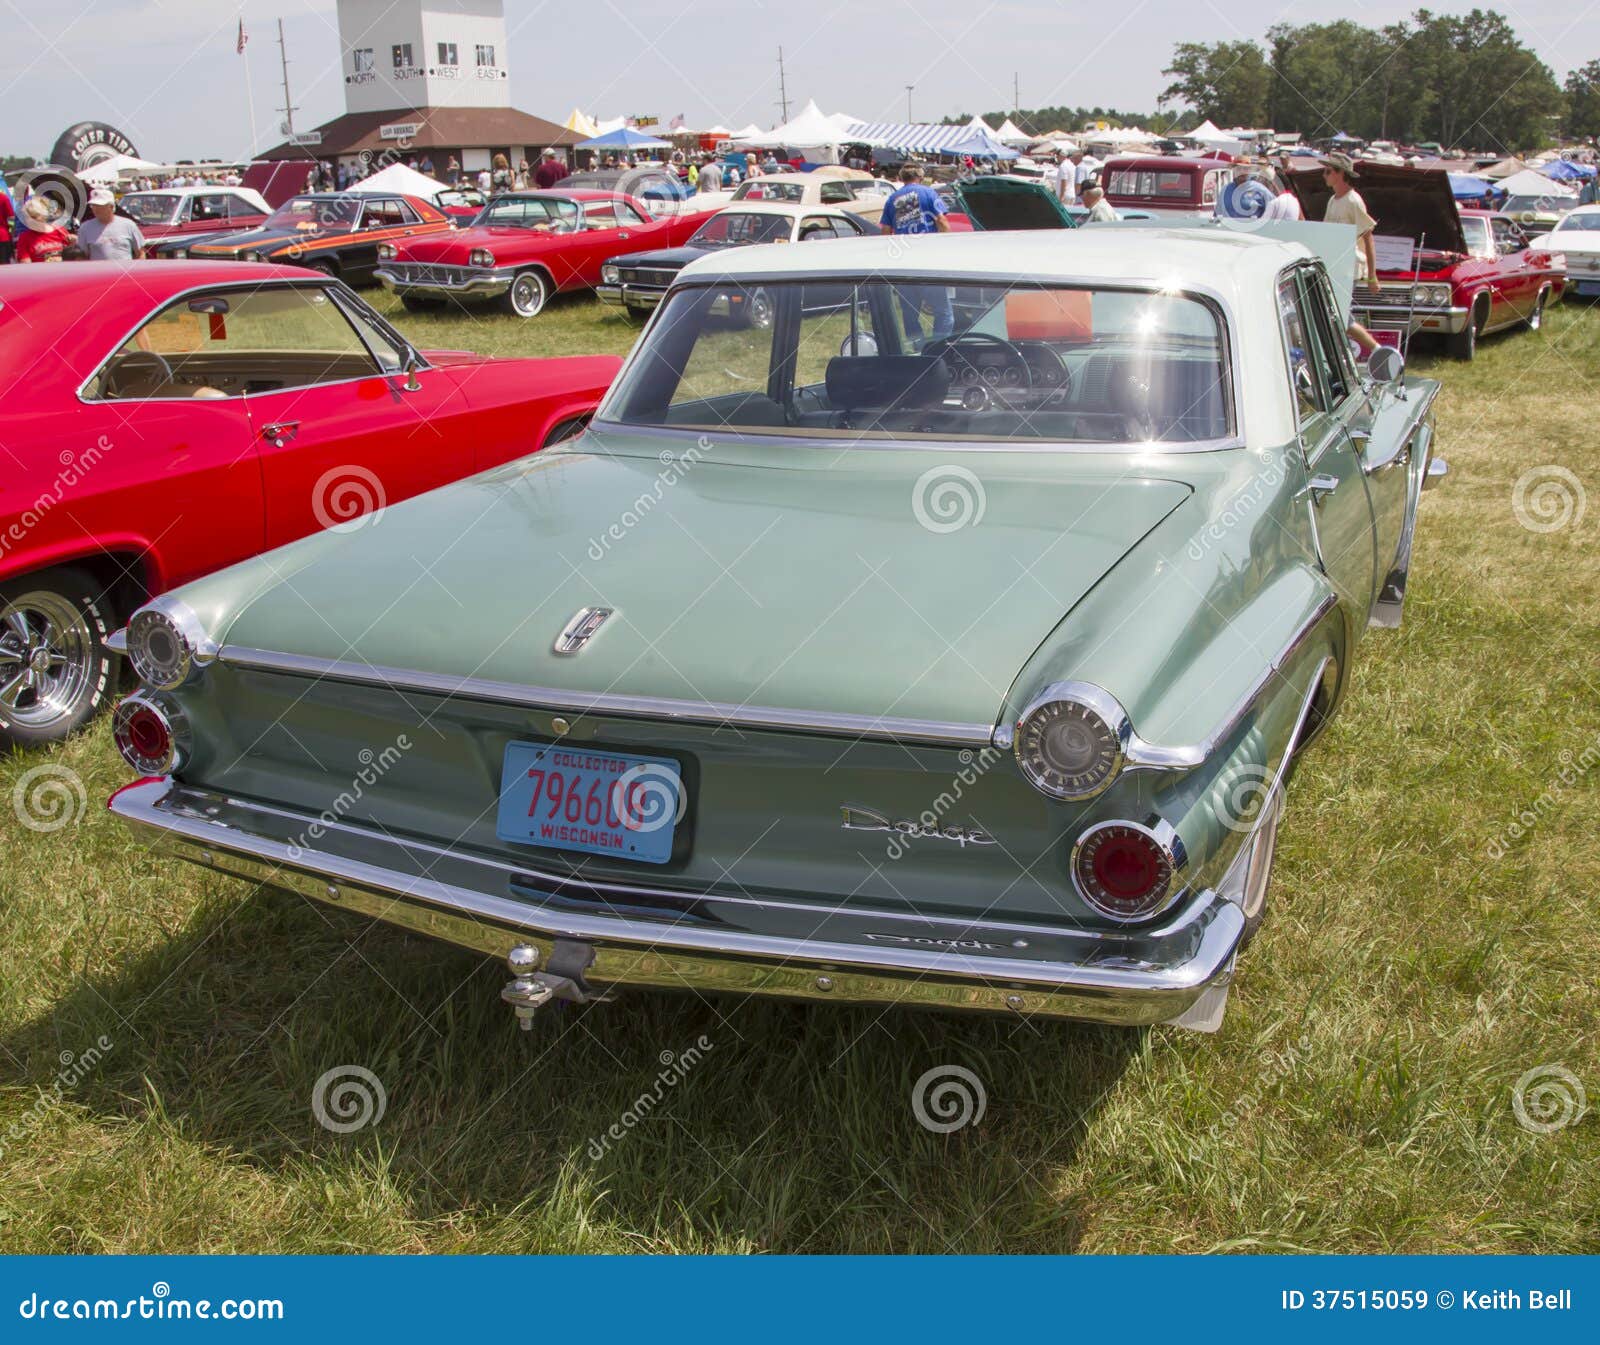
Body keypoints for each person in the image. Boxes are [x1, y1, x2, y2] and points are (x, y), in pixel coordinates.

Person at [879, 165, 952, 343]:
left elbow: (886, 231)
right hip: (928, 261)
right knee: (943, 311)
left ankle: (916, 346)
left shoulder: (892, 199)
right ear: (920, 176)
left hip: (904, 262)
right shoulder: (928, 193)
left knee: (909, 312)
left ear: (901, 177)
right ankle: (937, 347)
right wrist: (948, 243)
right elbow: (941, 221)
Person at [1321, 152, 1380, 357]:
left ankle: (1377, 350)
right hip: (1335, 265)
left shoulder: (1353, 201)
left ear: (1340, 174)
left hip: (1350, 266)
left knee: (1340, 316)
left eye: (1328, 171)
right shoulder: (1333, 200)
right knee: (1334, 314)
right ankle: (1341, 355)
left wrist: (1372, 276)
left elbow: (1368, 238)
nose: (1324, 175)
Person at [76, 188, 145, 260]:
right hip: (98, 271)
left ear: (111, 207)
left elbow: (141, 253)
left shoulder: (129, 225)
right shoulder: (85, 228)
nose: (95, 209)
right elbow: (82, 257)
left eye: (100, 206)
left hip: (125, 270)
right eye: (93, 205)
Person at [15, 196, 72, 263]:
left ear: (44, 215)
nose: (29, 221)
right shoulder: (24, 238)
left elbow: (72, 255)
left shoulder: (60, 231)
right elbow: (25, 263)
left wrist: (74, 242)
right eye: (26, 217)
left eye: (34, 217)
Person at [0, 184, 15, 263]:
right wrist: (11, 229)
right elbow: (11, 218)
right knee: (4, 265)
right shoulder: (3, 197)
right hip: (3, 236)